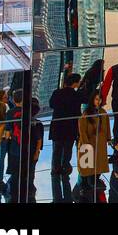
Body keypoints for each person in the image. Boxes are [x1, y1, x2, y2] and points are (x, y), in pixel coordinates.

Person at [48, 72, 83, 203]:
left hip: (58, 125)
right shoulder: (76, 95)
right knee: (67, 148)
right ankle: (65, 167)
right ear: (75, 82)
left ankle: (55, 168)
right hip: (70, 126)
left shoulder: (57, 92)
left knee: (57, 148)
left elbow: (51, 105)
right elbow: (78, 112)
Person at [76, 92, 110, 202]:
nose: (98, 101)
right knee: (87, 168)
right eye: (96, 99)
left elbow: (107, 127)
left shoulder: (103, 113)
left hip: (100, 144)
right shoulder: (86, 114)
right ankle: (86, 189)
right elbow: (82, 130)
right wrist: (86, 144)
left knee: (98, 165)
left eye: (99, 99)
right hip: (88, 144)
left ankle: (92, 185)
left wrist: (108, 139)